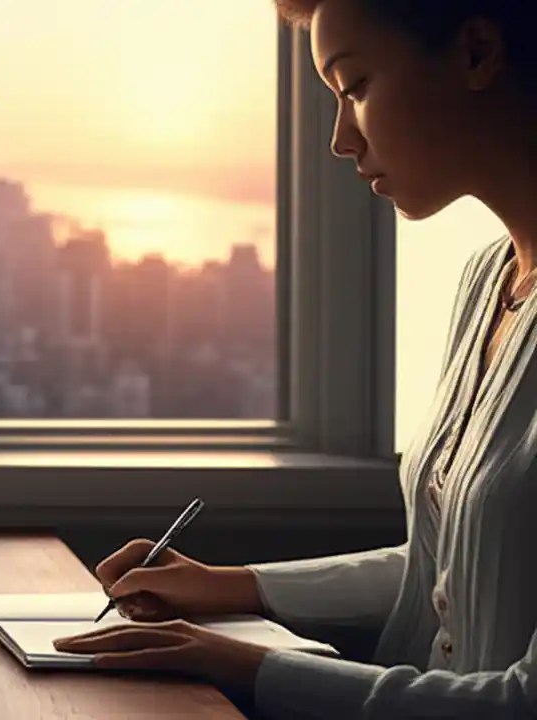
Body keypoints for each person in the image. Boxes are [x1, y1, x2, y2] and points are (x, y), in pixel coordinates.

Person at [53, 0, 537, 717]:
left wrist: (244, 665)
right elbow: (461, 566)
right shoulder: (486, 282)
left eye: (356, 87)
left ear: (474, 53)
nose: (341, 138)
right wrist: (231, 585)